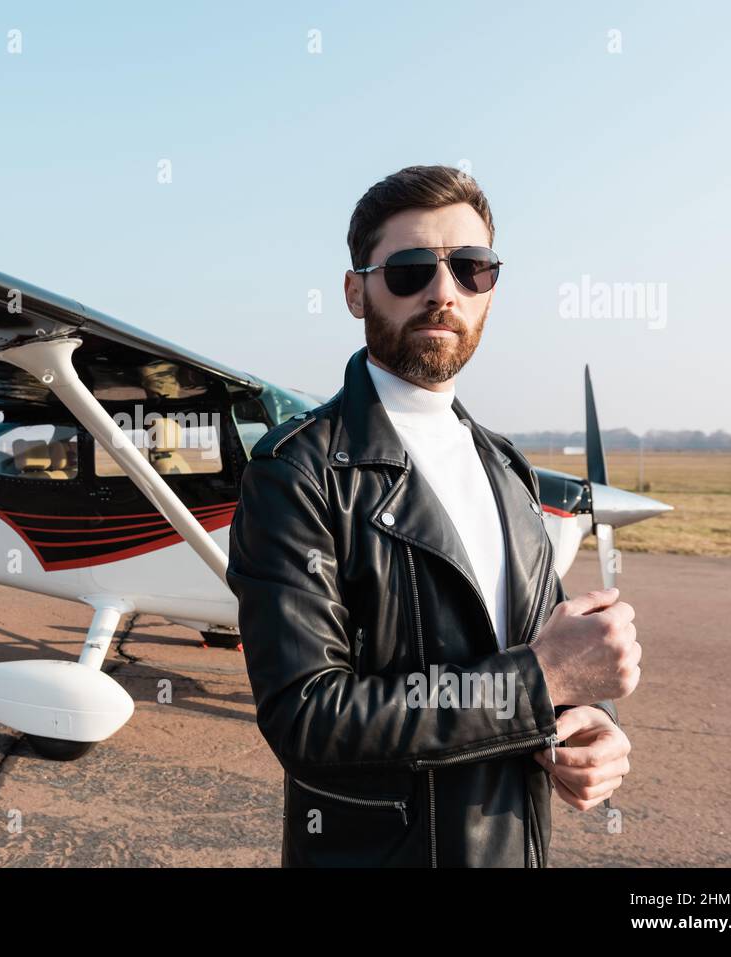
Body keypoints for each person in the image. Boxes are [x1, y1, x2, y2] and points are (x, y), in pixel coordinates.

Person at [226, 165, 639, 867]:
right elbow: (307, 716)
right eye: (411, 269)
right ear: (356, 291)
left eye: (472, 268)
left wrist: (593, 724)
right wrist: (537, 686)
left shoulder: (507, 469)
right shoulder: (297, 470)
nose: (443, 291)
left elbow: (545, 654)